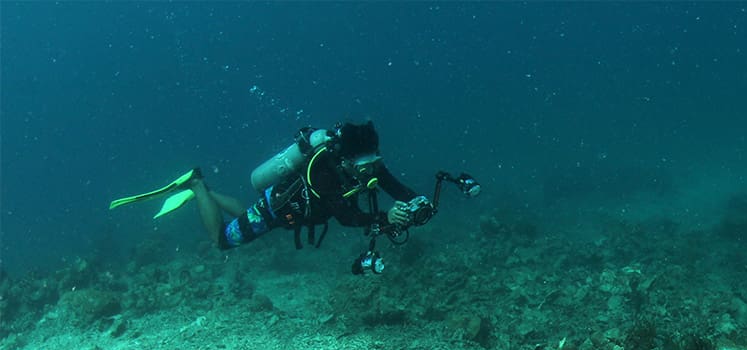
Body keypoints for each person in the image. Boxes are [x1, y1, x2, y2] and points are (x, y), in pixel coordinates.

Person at [110, 120, 474, 265]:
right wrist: (385, 217)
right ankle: (195, 185)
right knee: (221, 240)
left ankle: (205, 189)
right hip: (277, 210)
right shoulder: (321, 169)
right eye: (363, 162)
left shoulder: (370, 165)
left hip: (288, 215)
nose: (370, 168)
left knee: (242, 217)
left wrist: (415, 202)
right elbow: (346, 216)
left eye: (374, 160)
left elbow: (396, 187)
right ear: (344, 157)